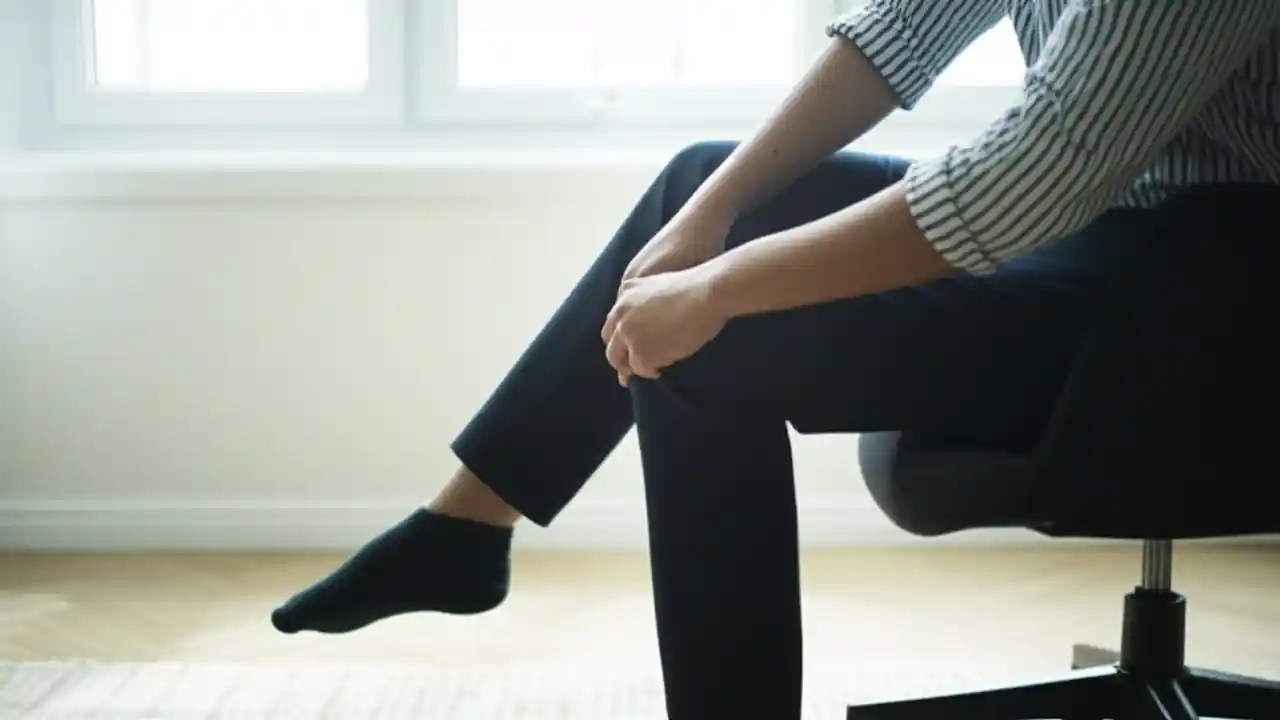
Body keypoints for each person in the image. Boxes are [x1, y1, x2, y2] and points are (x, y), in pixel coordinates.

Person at [270, 1, 1280, 717]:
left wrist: (718, 289)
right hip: (1111, 242)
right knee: (702, 180)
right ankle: (467, 522)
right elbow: (902, 31)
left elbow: (1030, 174)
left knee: (710, 341)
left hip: (1214, 305)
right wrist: (704, 224)